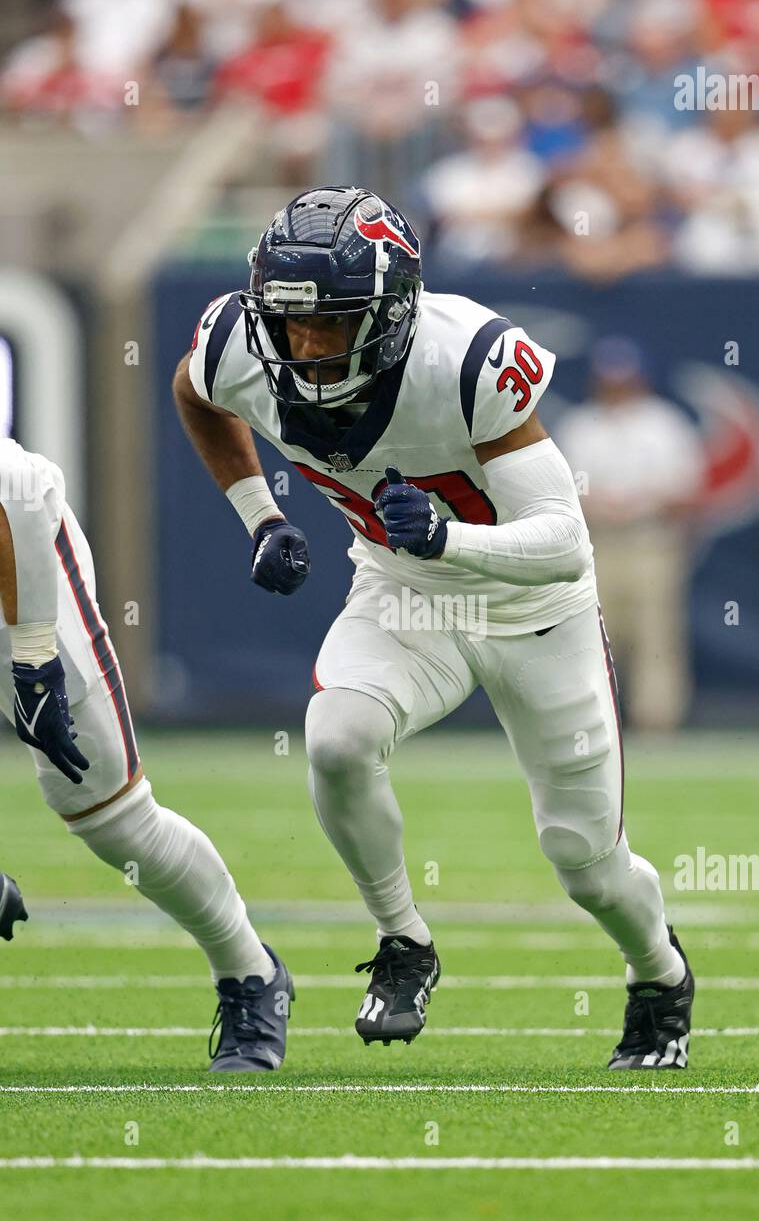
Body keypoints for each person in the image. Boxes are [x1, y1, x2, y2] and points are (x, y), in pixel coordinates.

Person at [173, 185, 695, 1069]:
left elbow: (566, 546)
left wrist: (455, 535)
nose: (306, 346)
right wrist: (260, 515)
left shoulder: (464, 361)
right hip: (404, 591)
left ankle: (660, 974)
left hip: (532, 609)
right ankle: (403, 940)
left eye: (333, 324)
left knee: (585, 861)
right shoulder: (239, 347)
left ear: (389, 313)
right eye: (292, 323)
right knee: (337, 736)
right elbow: (196, 392)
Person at [0, 435, 291, 1070]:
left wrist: (33, 658)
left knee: (109, 813)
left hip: (17, 577)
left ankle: (250, 972)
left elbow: (16, 492)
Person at [556, 337, 701, 731]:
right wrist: (607, 507)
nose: (617, 386)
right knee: (594, 636)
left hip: (651, 542)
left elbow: (686, 493)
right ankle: (593, 722)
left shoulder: (663, 424)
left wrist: (638, 505)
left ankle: (658, 724)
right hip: (594, 543)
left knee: (657, 636)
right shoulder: (581, 425)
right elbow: (563, 492)